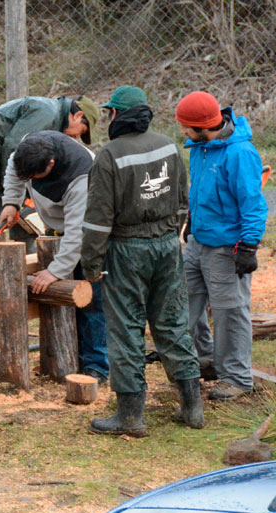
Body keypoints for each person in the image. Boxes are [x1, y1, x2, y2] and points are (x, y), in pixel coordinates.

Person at [81, 86, 203, 436]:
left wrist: (91, 264)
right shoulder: (169, 145)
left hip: (127, 250)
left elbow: (97, 220)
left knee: (126, 328)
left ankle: (131, 416)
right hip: (167, 245)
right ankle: (192, 408)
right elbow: (183, 199)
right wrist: (170, 233)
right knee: (173, 322)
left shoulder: (109, 156)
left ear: (117, 115)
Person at [176, 90, 268, 401]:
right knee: (185, 303)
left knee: (230, 311)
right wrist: (190, 225)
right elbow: (198, 191)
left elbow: (253, 204)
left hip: (227, 247)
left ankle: (237, 377)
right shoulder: (199, 147)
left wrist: (249, 246)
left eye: (187, 126)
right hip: (198, 241)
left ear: (204, 125)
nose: (183, 132)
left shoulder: (239, 153)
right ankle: (207, 360)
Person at [0, 129, 109, 382]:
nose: (30, 180)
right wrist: (12, 202)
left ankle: (96, 366)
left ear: (50, 164)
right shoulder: (28, 147)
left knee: (91, 301)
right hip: (59, 229)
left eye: (34, 176)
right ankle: (68, 358)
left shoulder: (81, 174)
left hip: (89, 234)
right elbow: (13, 172)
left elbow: (77, 233)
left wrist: (55, 272)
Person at [0, 94, 99, 239]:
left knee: (18, 209)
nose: (76, 137)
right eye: (81, 131)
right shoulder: (48, 113)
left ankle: (20, 254)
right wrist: (18, 199)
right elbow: (16, 149)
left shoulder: (52, 118)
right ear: (78, 115)